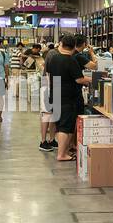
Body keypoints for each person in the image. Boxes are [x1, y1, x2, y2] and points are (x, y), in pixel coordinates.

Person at [44, 34, 91, 162]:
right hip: (68, 98)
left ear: (62, 44)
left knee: (61, 125)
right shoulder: (71, 60)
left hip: (56, 95)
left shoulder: (54, 58)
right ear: (73, 47)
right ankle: (61, 154)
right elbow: (79, 79)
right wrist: (92, 80)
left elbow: (49, 74)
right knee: (66, 126)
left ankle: (64, 151)